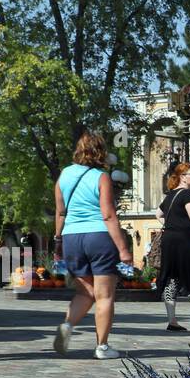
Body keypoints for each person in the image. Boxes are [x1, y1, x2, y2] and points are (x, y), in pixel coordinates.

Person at [52, 131, 132, 359]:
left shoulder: (64, 176)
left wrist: (58, 241)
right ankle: (102, 347)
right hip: (99, 237)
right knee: (104, 295)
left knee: (85, 291)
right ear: (101, 152)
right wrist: (124, 250)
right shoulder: (101, 176)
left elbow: (60, 212)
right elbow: (108, 215)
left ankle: (67, 325)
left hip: (71, 238)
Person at [157, 162, 190, 332]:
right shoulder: (188, 195)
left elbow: (159, 214)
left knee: (172, 280)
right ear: (183, 177)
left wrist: (172, 225)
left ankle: (172, 321)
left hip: (169, 241)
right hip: (187, 243)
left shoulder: (170, 195)